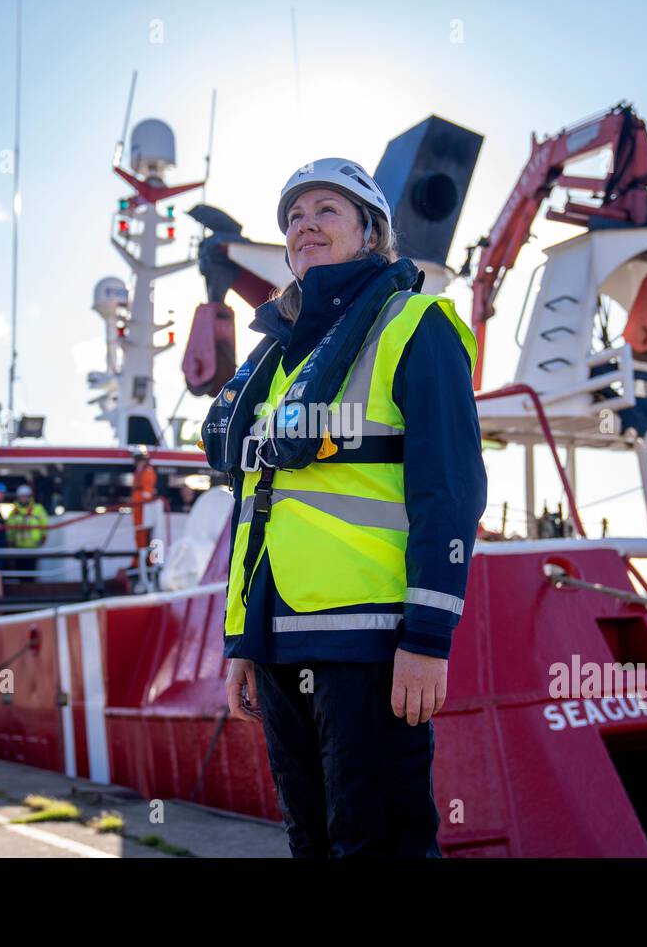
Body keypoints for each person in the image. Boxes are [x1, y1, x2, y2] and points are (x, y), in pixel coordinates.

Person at [206, 157, 487, 857]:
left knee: (381, 843)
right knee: (314, 842)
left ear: (371, 233)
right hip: (278, 643)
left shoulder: (416, 325)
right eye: (294, 217)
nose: (305, 225)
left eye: (325, 210)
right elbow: (257, 504)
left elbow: (449, 488)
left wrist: (427, 637)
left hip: (369, 643)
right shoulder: (279, 362)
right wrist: (245, 642)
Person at [5, 483, 48, 572]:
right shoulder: (14, 511)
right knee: (20, 570)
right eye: (22, 496)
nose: (24, 498)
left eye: (26, 496)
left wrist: (44, 536)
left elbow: (44, 523)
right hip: (18, 546)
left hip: (33, 545)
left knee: (31, 569)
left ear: (29, 496)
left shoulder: (38, 508)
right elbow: (9, 527)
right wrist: (9, 540)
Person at [130, 447, 158, 551]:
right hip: (137, 508)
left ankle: (144, 562)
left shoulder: (148, 471)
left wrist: (144, 500)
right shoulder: (138, 471)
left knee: (144, 535)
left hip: (143, 509)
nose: (138, 462)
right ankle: (138, 562)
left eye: (140, 459)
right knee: (139, 534)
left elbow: (147, 492)